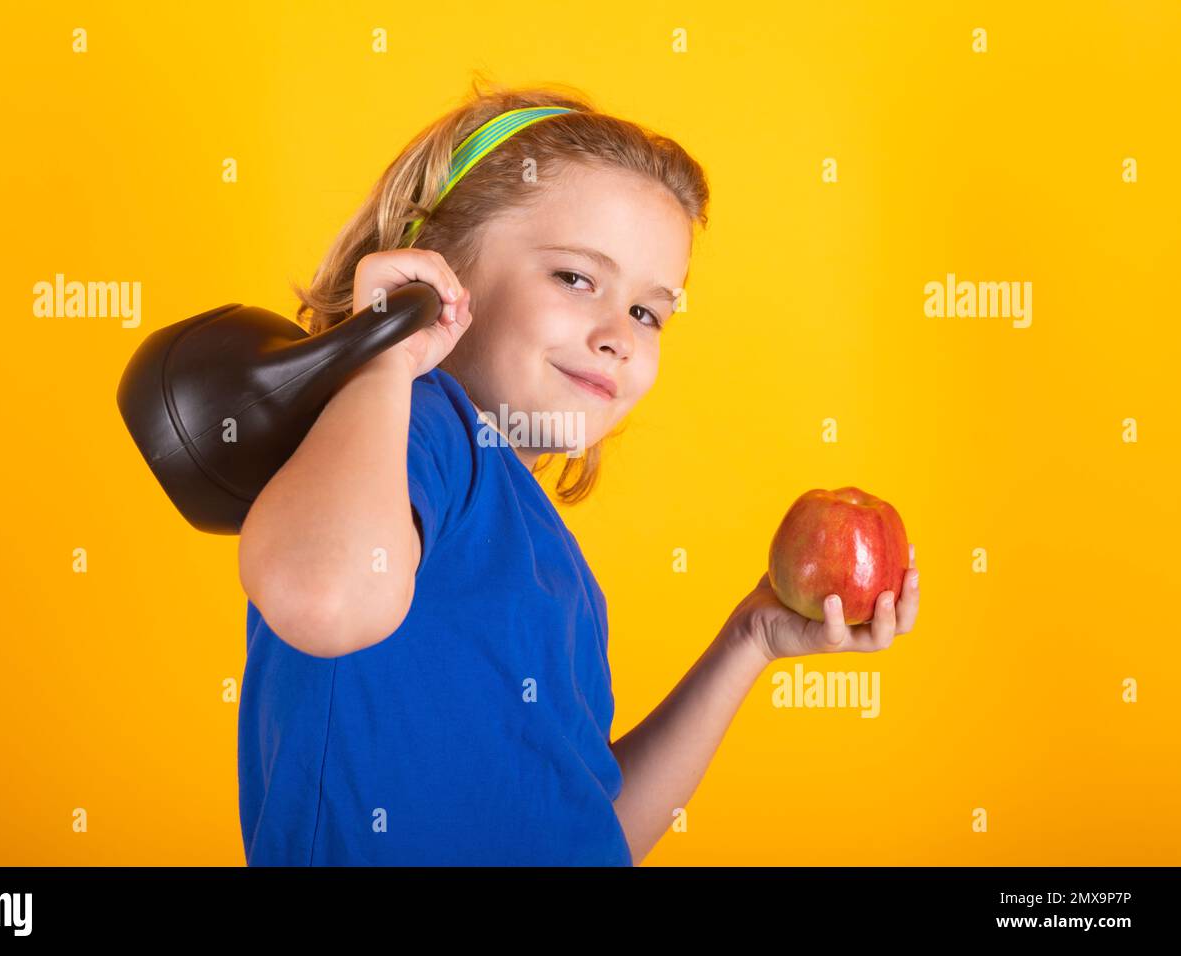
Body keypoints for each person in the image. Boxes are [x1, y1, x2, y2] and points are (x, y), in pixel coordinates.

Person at [236, 79, 921, 866]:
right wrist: (382, 356)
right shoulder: (416, 432)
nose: (619, 335)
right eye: (575, 278)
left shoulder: (554, 564)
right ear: (437, 272)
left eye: (647, 313)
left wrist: (751, 638)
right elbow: (322, 597)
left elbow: (587, 832)